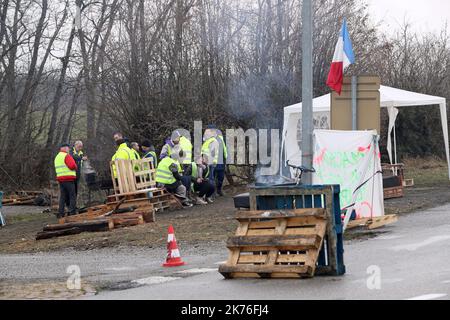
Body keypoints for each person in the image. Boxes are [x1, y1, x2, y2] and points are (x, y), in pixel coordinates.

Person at [54, 143, 78, 218]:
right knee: (72, 196)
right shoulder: (66, 156)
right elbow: (72, 166)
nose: (69, 149)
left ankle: (61, 213)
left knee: (63, 196)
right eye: (68, 148)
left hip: (61, 180)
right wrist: (76, 167)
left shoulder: (57, 157)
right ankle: (72, 212)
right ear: (64, 148)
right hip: (68, 179)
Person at [202, 127, 220, 192]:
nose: (205, 134)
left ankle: (210, 195)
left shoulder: (213, 141)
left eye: (207, 132)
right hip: (208, 162)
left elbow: (212, 153)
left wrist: (207, 161)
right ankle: (208, 194)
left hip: (210, 163)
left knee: (210, 179)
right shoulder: (208, 141)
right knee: (209, 179)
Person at [215, 129, 228, 196]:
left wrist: (225, 161)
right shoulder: (210, 140)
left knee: (221, 177)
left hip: (221, 162)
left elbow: (225, 150)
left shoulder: (222, 140)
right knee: (213, 177)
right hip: (213, 162)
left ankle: (219, 190)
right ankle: (213, 192)